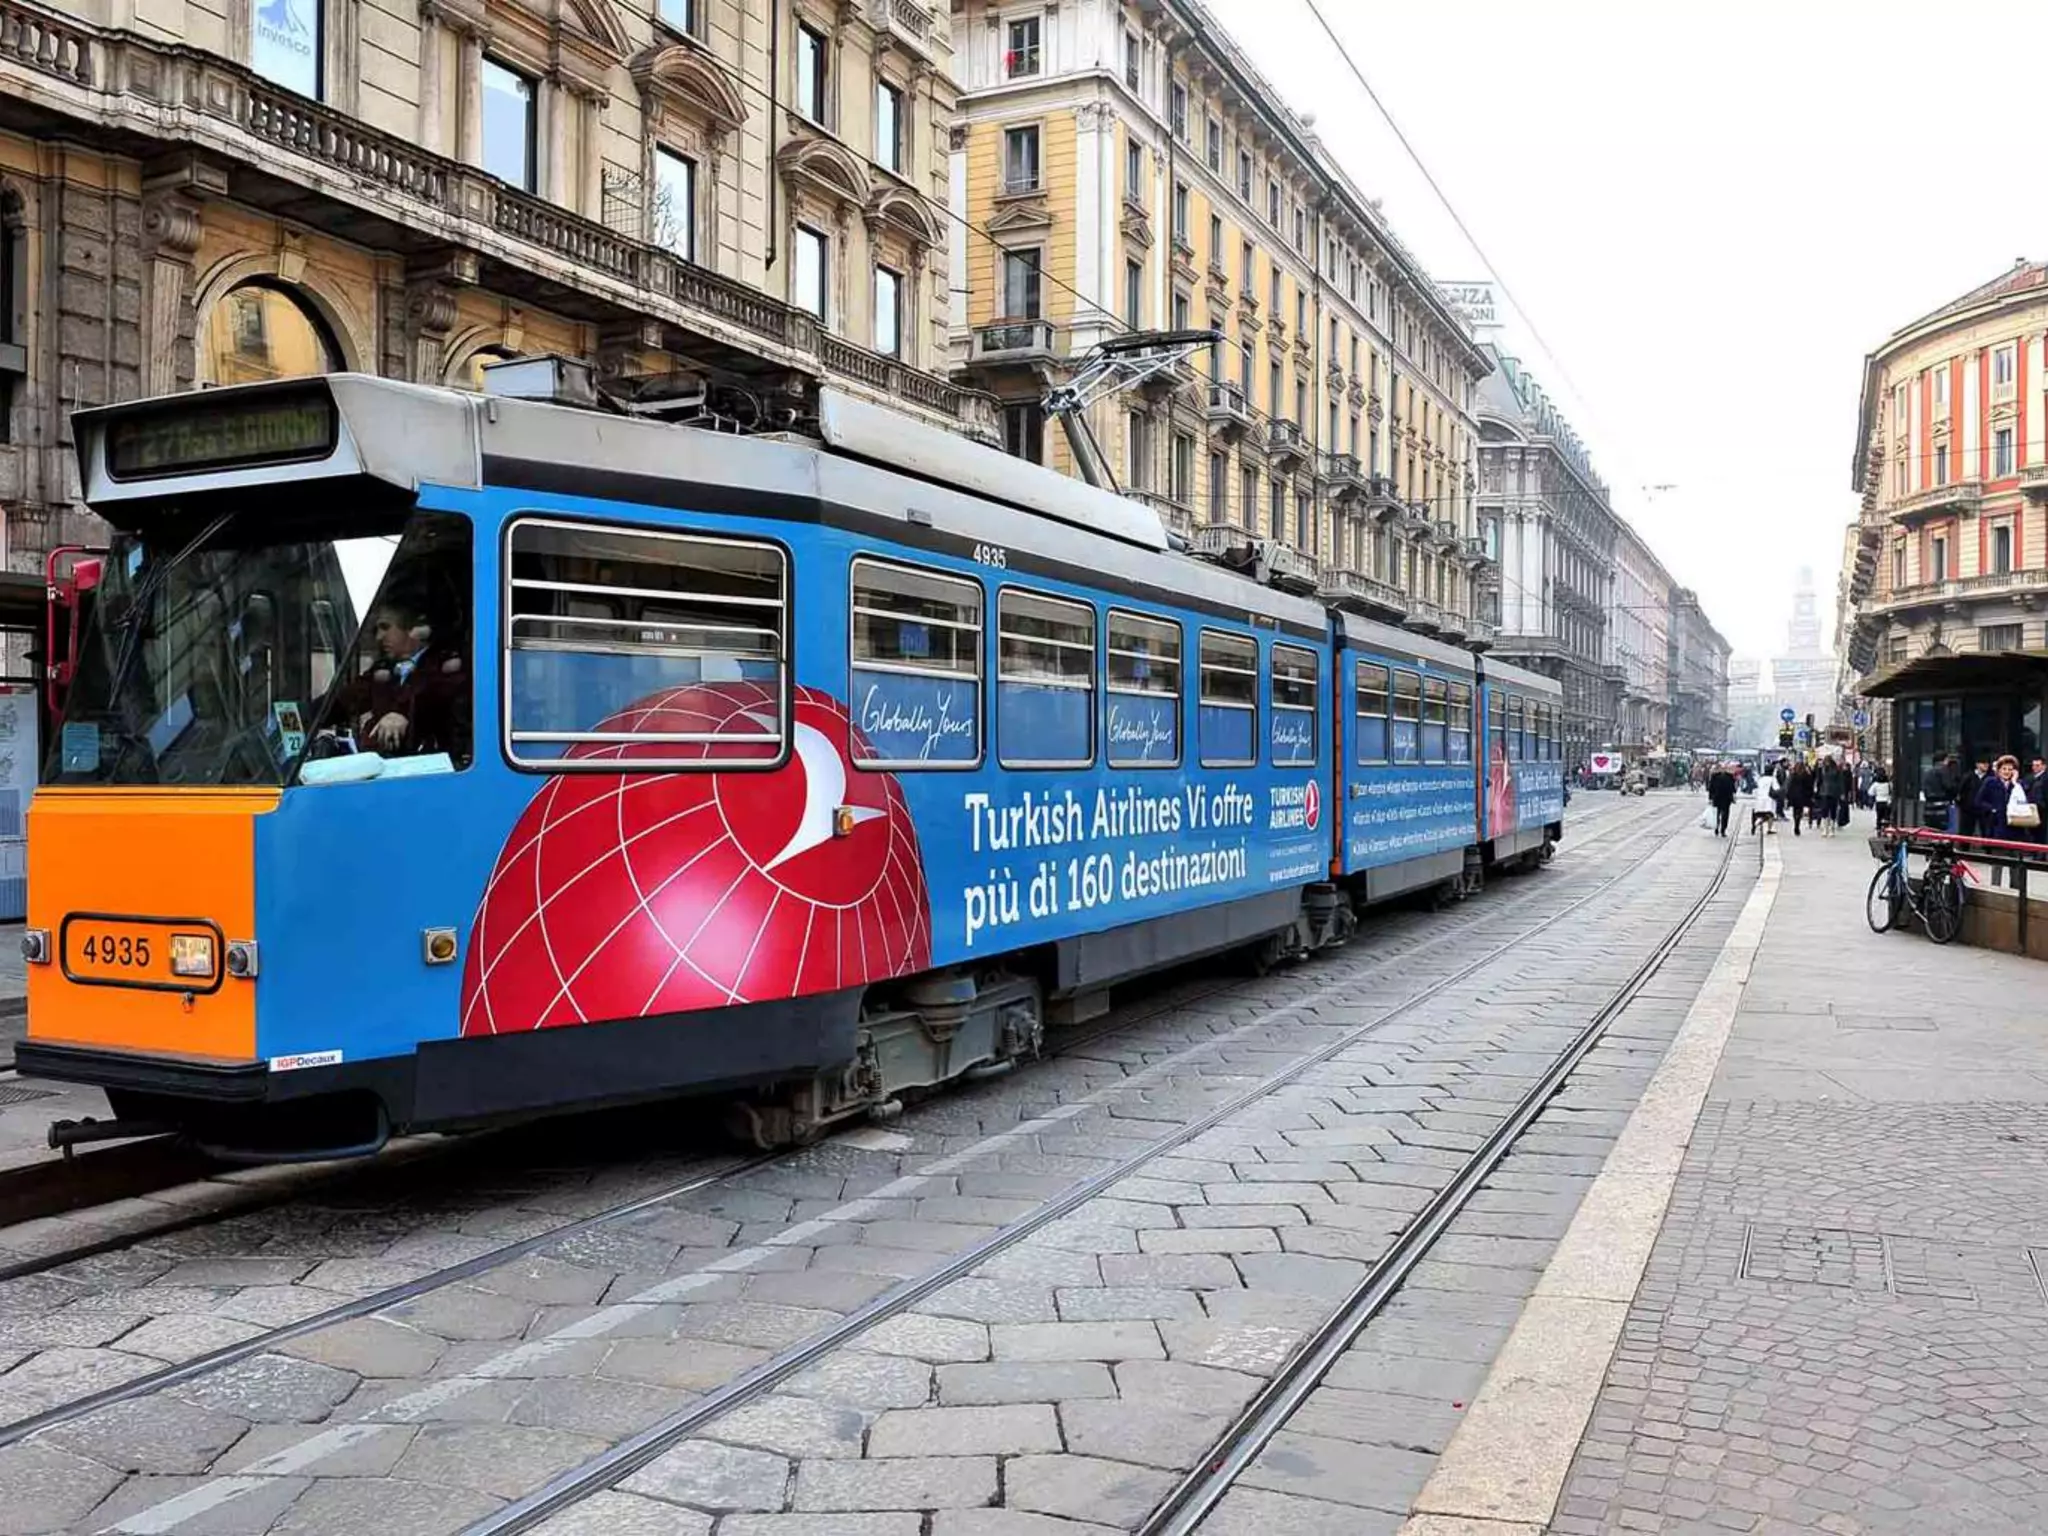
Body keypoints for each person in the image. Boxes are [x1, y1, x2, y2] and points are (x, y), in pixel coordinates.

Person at [1973, 755, 2022, 886]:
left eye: (2010, 769)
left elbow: (2024, 801)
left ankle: (2015, 893)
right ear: (1998, 770)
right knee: (1997, 865)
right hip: (1997, 829)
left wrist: (2014, 783)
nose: (2007, 772)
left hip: (2015, 830)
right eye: (2004, 769)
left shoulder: (2018, 785)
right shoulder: (1991, 782)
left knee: (2016, 867)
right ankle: (1995, 890)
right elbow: (1978, 801)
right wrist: (1992, 809)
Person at [1814, 755, 1843, 838]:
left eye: (1828, 761)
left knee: (1833, 810)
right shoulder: (1822, 769)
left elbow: (1840, 781)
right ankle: (1825, 829)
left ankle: (1832, 829)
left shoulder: (1837, 769)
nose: (1826, 763)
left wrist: (1842, 792)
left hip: (1834, 792)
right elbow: (1819, 780)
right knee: (1824, 810)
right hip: (1824, 792)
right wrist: (1816, 791)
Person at [1706, 762, 1737, 837]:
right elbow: (1711, 788)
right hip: (1717, 797)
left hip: (1726, 798)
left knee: (1725, 814)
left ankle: (1723, 829)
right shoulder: (1715, 776)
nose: (1723, 769)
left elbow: (1733, 788)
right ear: (1719, 769)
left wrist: (1733, 796)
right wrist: (1710, 798)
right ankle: (1716, 827)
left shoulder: (1730, 776)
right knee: (1717, 813)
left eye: (1724, 768)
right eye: (1721, 768)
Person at [1786, 758, 1814, 836]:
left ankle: (1796, 823)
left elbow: (1789, 786)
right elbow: (1810, 786)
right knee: (1800, 810)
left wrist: (1788, 796)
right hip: (1803, 796)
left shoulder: (1793, 775)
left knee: (1795, 810)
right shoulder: (1806, 775)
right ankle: (1797, 823)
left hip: (1794, 796)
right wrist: (1810, 795)